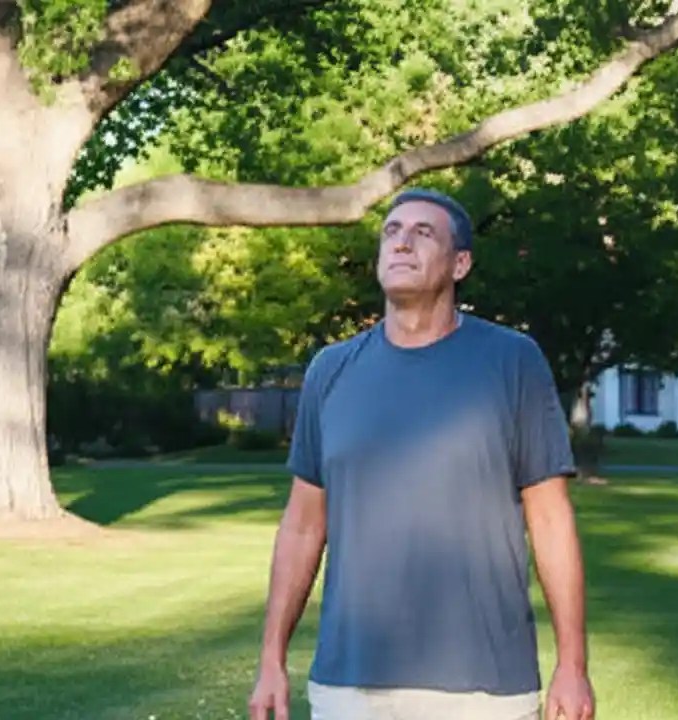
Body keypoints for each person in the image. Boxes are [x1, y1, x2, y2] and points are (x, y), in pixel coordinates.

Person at [248, 188, 595, 720]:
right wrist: (271, 658)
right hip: (349, 685)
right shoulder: (330, 370)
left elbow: (549, 518)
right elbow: (301, 525)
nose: (401, 243)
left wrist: (572, 666)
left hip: (484, 689)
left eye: (422, 233)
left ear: (461, 264)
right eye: (392, 232)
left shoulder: (512, 362)